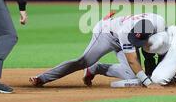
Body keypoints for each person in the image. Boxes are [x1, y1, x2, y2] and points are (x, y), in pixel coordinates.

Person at [28, 12, 166, 87]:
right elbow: (132, 60)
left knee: (132, 75)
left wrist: (156, 74)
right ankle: (42, 78)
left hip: (120, 30)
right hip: (106, 33)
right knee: (83, 61)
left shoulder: (159, 22)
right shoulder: (126, 32)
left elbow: (155, 51)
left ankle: (96, 68)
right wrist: (148, 82)